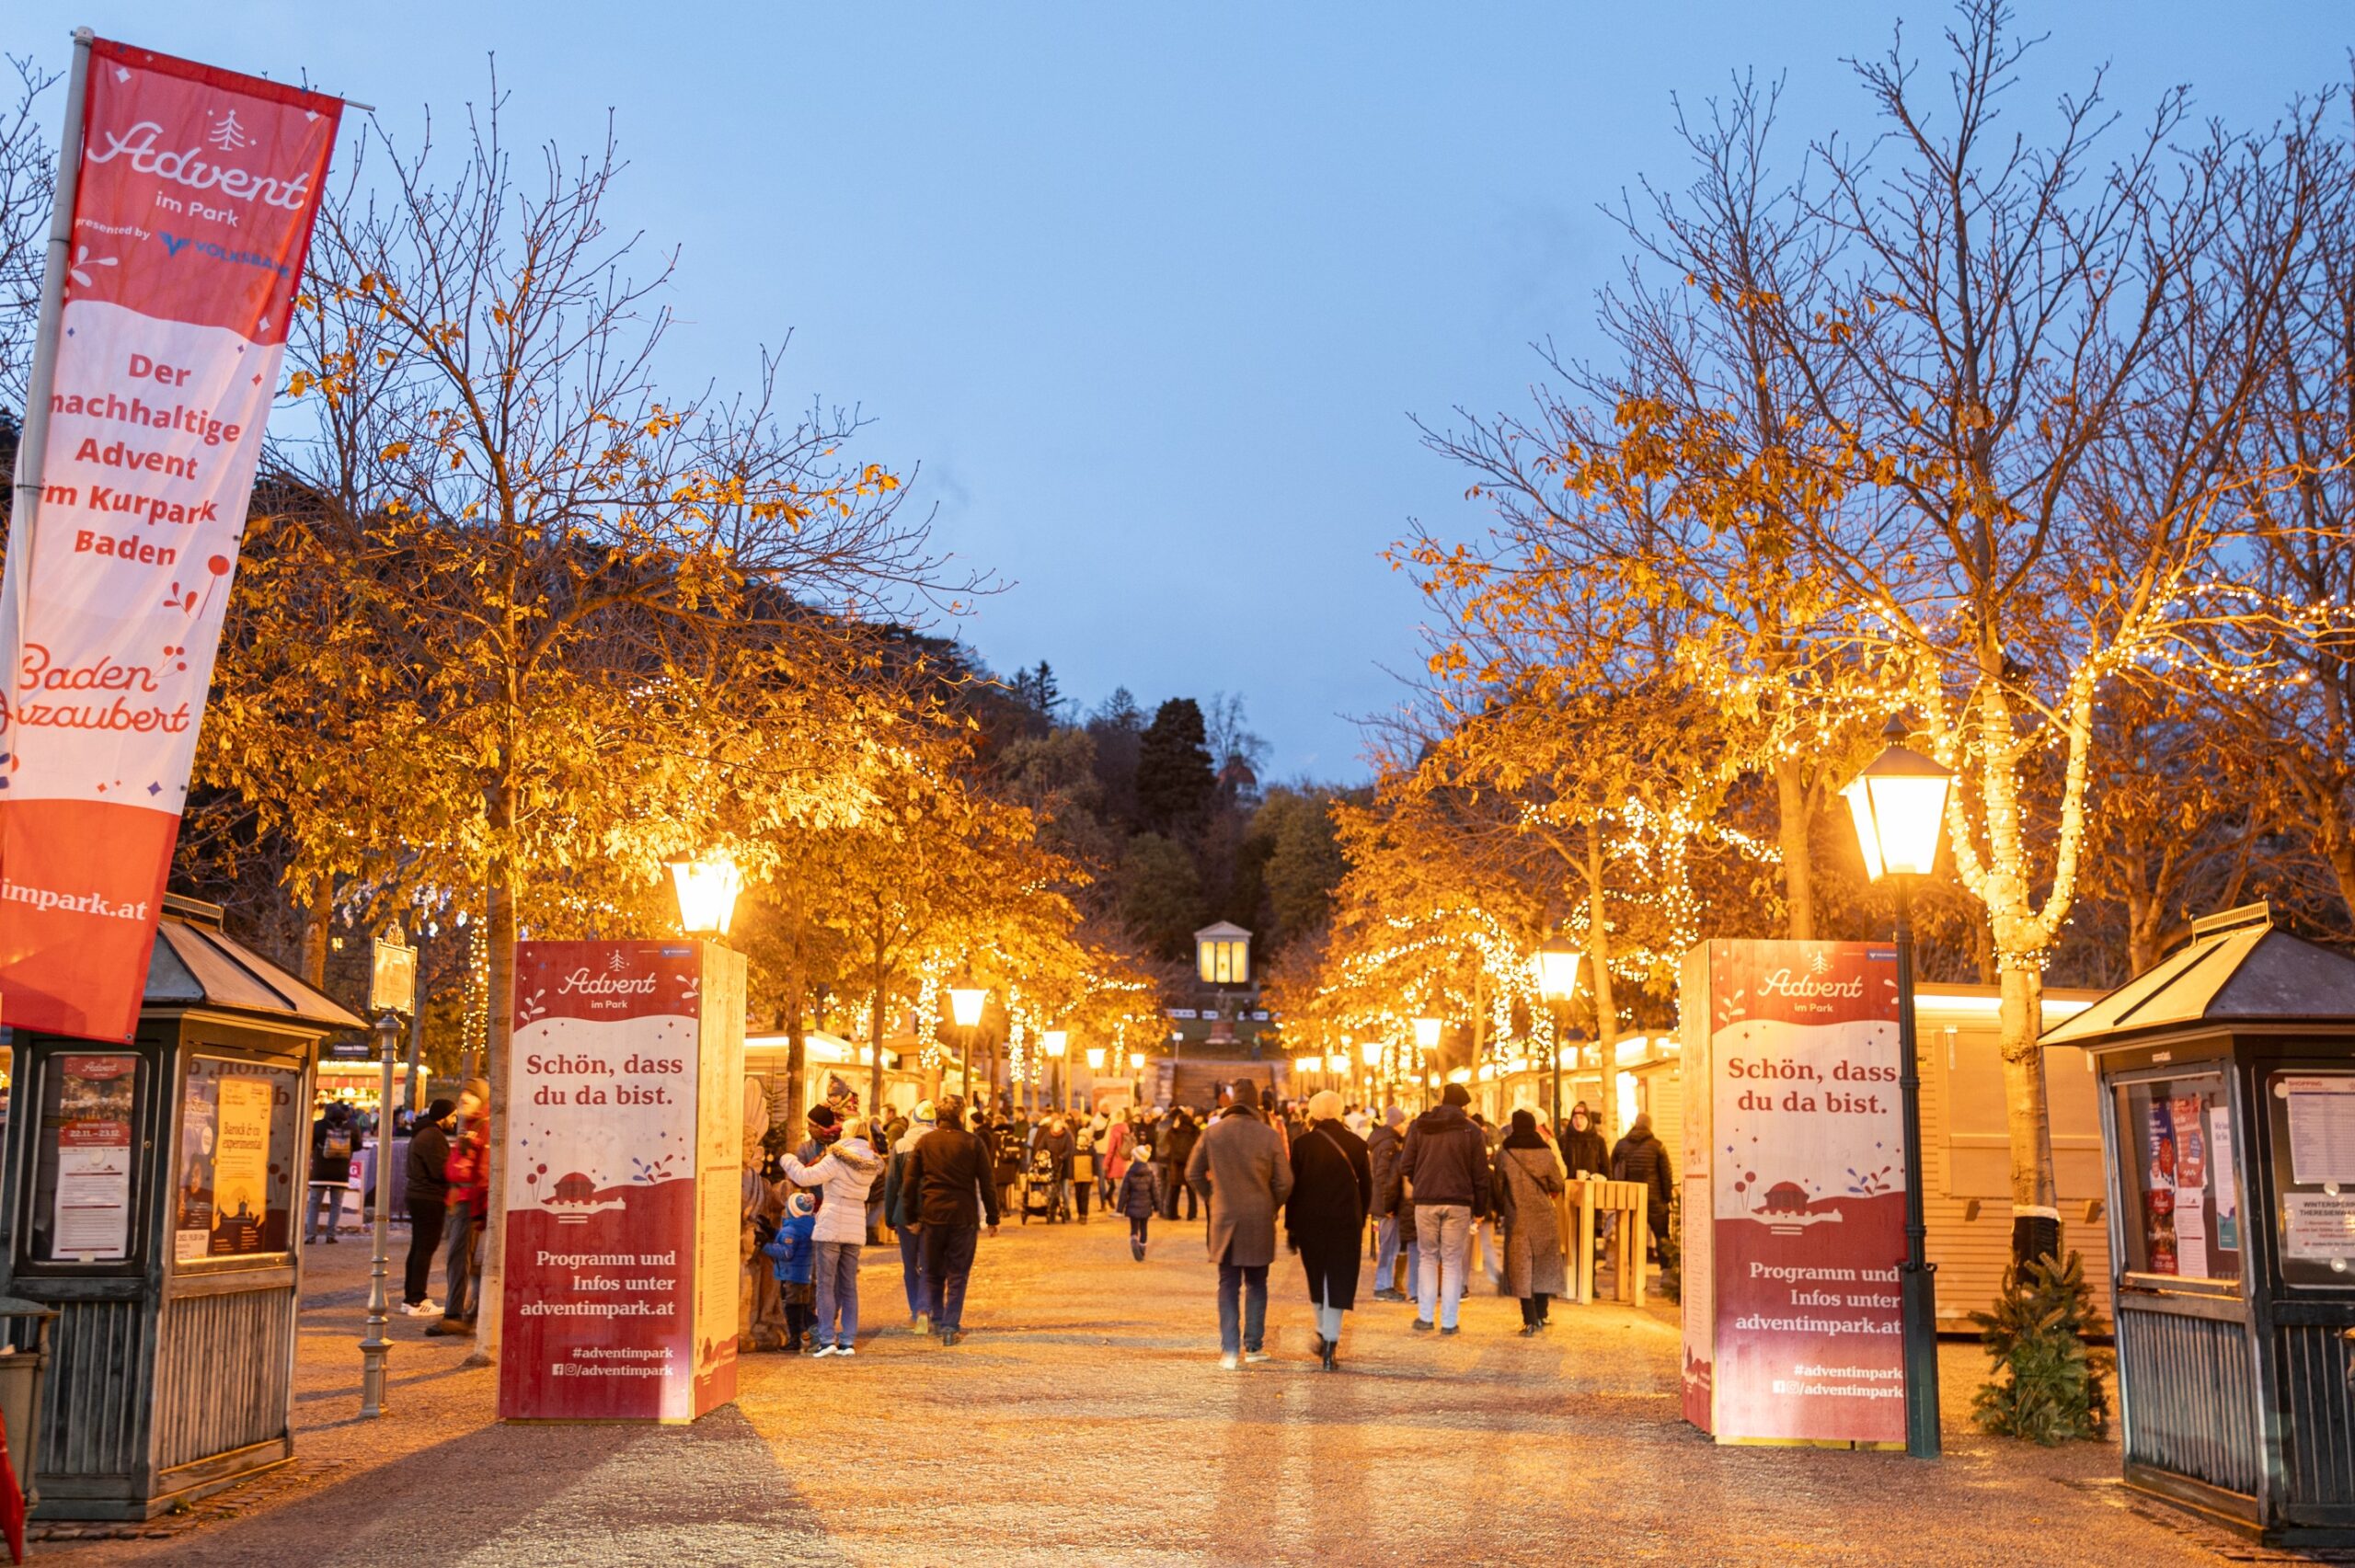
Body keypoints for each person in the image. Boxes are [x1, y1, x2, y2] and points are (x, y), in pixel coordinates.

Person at [1187, 1079, 1293, 1370]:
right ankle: (1254, 1346)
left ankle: (1230, 1349)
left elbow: (1193, 1173)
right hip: (1259, 1217)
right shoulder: (1268, 1135)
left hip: (1225, 1217)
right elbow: (1285, 1181)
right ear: (1255, 1103)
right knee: (1257, 1282)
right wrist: (1271, 1204)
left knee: (1228, 1283)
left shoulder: (1213, 1133)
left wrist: (1213, 1198)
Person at [902, 1094, 1001, 1345]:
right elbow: (987, 1182)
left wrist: (911, 1215)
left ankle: (937, 1318)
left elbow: (910, 1182)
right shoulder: (973, 1142)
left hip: (933, 1213)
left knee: (933, 1270)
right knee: (958, 1273)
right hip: (963, 1215)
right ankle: (950, 1325)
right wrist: (993, 1217)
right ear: (960, 1116)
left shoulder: (926, 1142)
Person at [1286, 1089, 1371, 1372]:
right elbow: (1367, 1188)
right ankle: (1330, 1343)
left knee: (1317, 1277)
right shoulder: (1357, 1144)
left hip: (1310, 1221)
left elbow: (1293, 1189)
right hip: (1345, 1222)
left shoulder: (1302, 1145)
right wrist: (1360, 1219)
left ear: (1313, 1112)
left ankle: (1323, 1331)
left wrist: (1291, 1226)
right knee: (1340, 1279)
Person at [781, 1114, 880, 1357]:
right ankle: (848, 1341)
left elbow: (805, 1177)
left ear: (847, 1133)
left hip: (831, 1225)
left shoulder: (837, 1157)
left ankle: (827, 1339)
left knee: (826, 1284)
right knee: (849, 1286)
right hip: (855, 1227)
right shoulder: (871, 1163)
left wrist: (788, 1159)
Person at [1399, 1082, 1489, 1335]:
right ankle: (1449, 1322)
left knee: (1427, 1257)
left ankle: (1425, 1317)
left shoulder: (1420, 1126)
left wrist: (1422, 1181)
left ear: (1442, 1100)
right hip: (1458, 1201)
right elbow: (1481, 1175)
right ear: (1464, 1105)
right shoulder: (1471, 1130)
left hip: (1426, 1200)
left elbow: (1406, 1165)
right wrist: (1480, 1210)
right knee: (1451, 1261)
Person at [1493, 1110, 1568, 1333]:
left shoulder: (1505, 1153)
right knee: (1544, 1264)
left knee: (1521, 1267)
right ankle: (1543, 1313)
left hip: (1518, 1217)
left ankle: (1529, 1318)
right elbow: (1558, 1183)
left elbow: (1498, 1186)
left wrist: (1504, 1205)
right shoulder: (1545, 1152)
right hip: (1543, 1215)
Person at [426, 1080, 489, 1336]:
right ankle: (467, 1312)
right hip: (461, 1200)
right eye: (463, 1093)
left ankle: (457, 1314)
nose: (463, 1098)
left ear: (481, 1099)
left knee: (461, 1259)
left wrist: (479, 1209)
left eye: (470, 1094)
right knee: (462, 1260)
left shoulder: (484, 1126)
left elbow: (483, 1170)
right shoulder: (472, 1126)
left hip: (470, 1203)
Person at [399, 1098, 455, 1316]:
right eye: (452, 1116)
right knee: (425, 1248)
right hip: (429, 1197)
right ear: (443, 1116)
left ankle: (410, 1298)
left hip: (418, 1195)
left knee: (418, 1247)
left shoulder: (421, 1133)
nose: (455, 1120)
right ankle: (417, 1300)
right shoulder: (433, 1136)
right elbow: (440, 1171)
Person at [885, 1101, 936, 1331]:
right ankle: (926, 1307)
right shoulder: (938, 1143)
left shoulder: (901, 1145)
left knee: (909, 1265)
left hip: (904, 1213)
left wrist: (890, 1216)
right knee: (929, 1263)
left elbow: (892, 1183)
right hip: (932, 1212)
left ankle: (916, 1309)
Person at [1611, 1111, 1676, 1266]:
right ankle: (1666, 1271)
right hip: (1654, 1199)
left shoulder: (1620, 1145)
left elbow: (1612, 1169)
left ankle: (1629, 1268)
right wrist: (1667, 1197)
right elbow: (1666, 1174)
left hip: (1629, 1198)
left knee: (1630, 1235)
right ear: (1649, 1126)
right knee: (1661, 1236)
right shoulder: (1657, 1146)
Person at [762, 1190, 820, 1354]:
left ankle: (797, 1340)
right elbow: (791, 1239)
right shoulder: (809, 1225)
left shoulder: (792, 1228)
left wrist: (764, 1245)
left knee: (794, 1310)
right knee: (805, 1309)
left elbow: (786, 1253)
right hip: (806, 1275)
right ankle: (819, 1337)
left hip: (793, 1275)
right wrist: (772, 1232)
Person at [1365, 1104, 1411, 1303]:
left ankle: (1385, 1285)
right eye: (1403, 1123)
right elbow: (1385, 1177)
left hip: (1382, 1201)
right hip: (1386, 1203)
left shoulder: (1382, 1141)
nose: (1405, 1127)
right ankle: (1383, 1286)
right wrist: (1387, 1205)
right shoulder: (1390, 1144)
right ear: (1397, 1123)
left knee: (1388, 1245)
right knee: (1389, 1246)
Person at [305, 1102, 358, 1244]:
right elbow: (358, 1145)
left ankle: (311, 1235)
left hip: (320, 1172)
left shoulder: (319, 1125)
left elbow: (310, 1144)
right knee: (336, 1204)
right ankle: (331, 1235)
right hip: (341, 1172)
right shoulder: (351, 1126)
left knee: (314, 1204)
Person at [1117, 1143, 1163, 1260]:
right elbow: (1155, 1191)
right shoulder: (1150, 1173)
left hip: (1132, 1206)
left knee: (1134, 1228)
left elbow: (1124, 1192)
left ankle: (1133, 1240)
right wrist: (1158, 1207)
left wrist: (1120, 1209)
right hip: (1146, 1206)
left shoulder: (1130, 1173)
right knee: (1144, 1227)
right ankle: (1142, 1248)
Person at [1160, 1109, 1201, 1221]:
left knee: (1174, 1190)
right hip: (1190, 1163)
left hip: (1176, 1165)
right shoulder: (1195, 1132)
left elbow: (1168, 1142)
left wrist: (1174, 1127)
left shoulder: (1174, 1132)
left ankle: (1172, 1214)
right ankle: (1192, 1214)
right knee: (1191, 1191)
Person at [1036, 1113, 1076, 1222]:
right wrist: (1044, 1155)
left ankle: (1066, 1209)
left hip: (1063, 1166)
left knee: (1064, 1191)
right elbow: (1040, 1147)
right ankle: (1051, 1211)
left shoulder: (1067, 1135)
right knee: (1051, 1191)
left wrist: (1062, 1156)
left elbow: (1070, 1149)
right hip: (1051, 1166)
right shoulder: (1048, 1135)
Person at [1561, 1102, 1610, 1178]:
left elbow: (1606, 1168)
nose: (1578, 1121)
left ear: (1588, 1120)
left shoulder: (1598, 1141)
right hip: (1568, 1184)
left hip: (1592, 1184)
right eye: (1575, 1118)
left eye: (1582, 1118)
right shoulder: (1563, 1140)